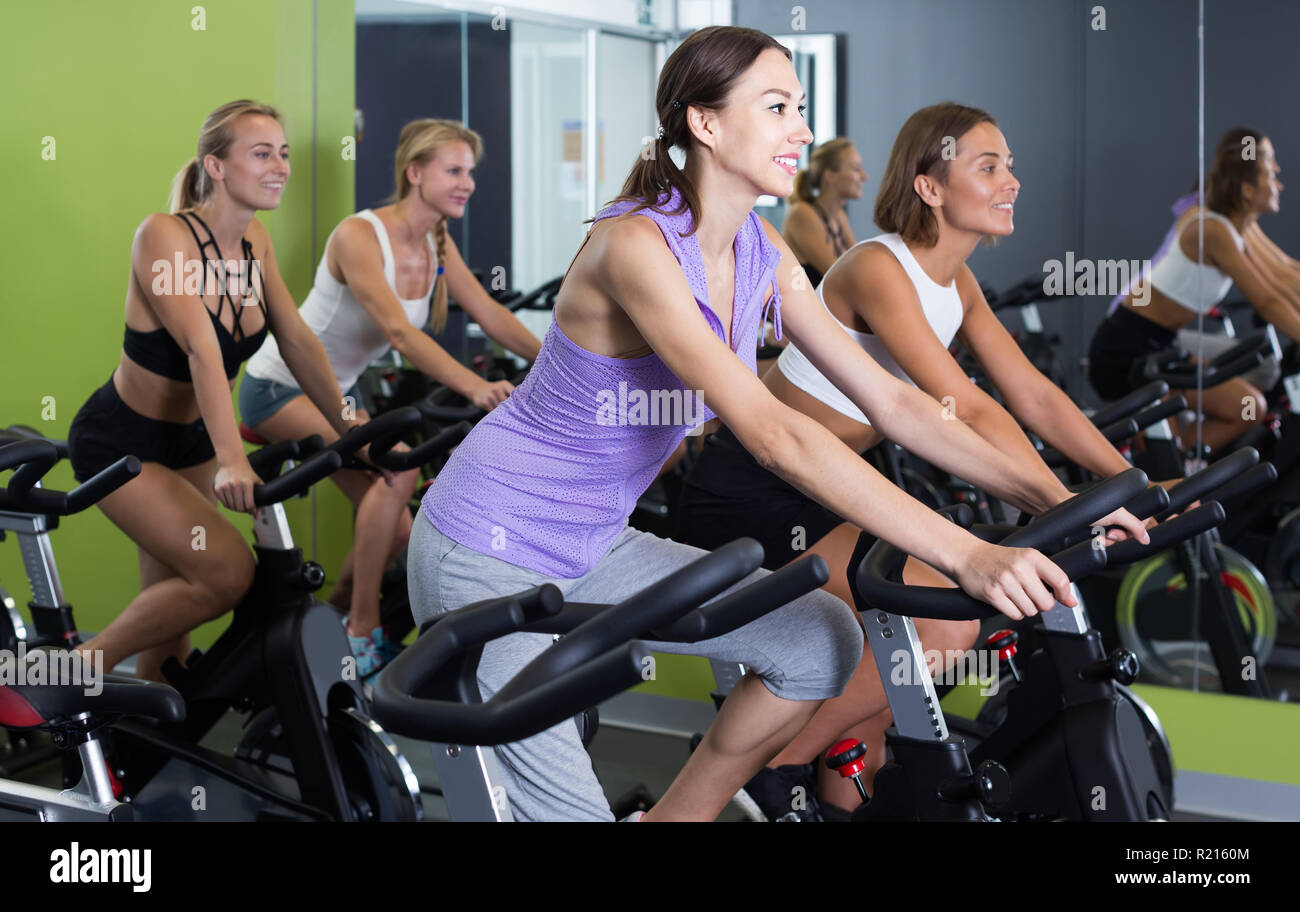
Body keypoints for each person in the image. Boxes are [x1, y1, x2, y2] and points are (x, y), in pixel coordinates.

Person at [407, 27, 1141, 822]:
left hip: (593, 544)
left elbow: (895, 403)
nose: (802, 129)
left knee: (822, 639)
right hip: (488, 551)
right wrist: (965, 553)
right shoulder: (635, 246)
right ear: (707, 124)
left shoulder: (760, 250)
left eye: (801, 107)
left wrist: (1064, 498)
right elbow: (775, 434)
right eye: (779, 107)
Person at [679, 101, 1149, 819]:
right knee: (946, 619)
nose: (1011, 180)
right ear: (930, 187)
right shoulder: (877, 267)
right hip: (751, 492)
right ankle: (768, 765)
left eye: (1010, 165)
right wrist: (1063, 506)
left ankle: (836, 797)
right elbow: (967, 404)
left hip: (826, 490)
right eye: (989, 166)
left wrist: (1123, 485)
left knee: (883, 699)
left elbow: (1033, 394)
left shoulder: (958, 285)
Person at [67, 100, 372, 681]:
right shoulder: (163, 236)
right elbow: (203, 350)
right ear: (216, 166)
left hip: (192, 445)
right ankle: (66, 674)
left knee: (174, 622)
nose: (279, 165)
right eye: (262, 153)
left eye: (282, 153)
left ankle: (133, 754)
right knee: (227, 573)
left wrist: (349, 424)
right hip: (124, 444)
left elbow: (299, 340)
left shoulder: (256, 241)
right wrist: (233, 461)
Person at [239, 119, 542, 677]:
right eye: (454, 170)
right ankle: (361, 630)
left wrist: (560, 366)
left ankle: (316, 640)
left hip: (340, 394)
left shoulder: (437, 246)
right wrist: (474, 386)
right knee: (399, 471)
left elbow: (493, 316)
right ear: (415, 172)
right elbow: (401, 335)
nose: (467, 183)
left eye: (470, 172)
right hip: (279, 388)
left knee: (398, 531)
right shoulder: (360, 236)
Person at [1089, 127, 1300, 452]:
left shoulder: (1237, 222)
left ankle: (1182, 472)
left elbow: (1285, 275)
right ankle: (1171, 477)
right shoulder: (1213, 229)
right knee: (1244, 408)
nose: (1278, 175)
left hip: (1162, 343)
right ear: (1246, 187)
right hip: (1127, 352)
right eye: (1270, 167)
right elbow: (1269, 300)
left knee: (1248, 404)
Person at [781, 137, 865, 288]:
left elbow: (859, 266)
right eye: (856, 169)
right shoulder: (802, 213)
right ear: (830, 176)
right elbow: (836, 276)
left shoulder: (839, 215)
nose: (864, 177)